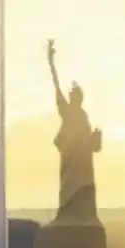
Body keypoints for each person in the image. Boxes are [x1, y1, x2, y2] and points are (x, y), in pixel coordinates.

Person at [47, 39, 102, 225]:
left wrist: (96, 138)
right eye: (73, 95)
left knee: (82, 192)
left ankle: (82, 217)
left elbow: (93, 147)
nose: (74, 97)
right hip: (71, 164)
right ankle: (68, 216)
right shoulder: (68, 111)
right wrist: (51, 62)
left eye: (76, 95)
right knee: (67, 190)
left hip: (83, 168)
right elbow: (56, 84)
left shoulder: (82, 116)